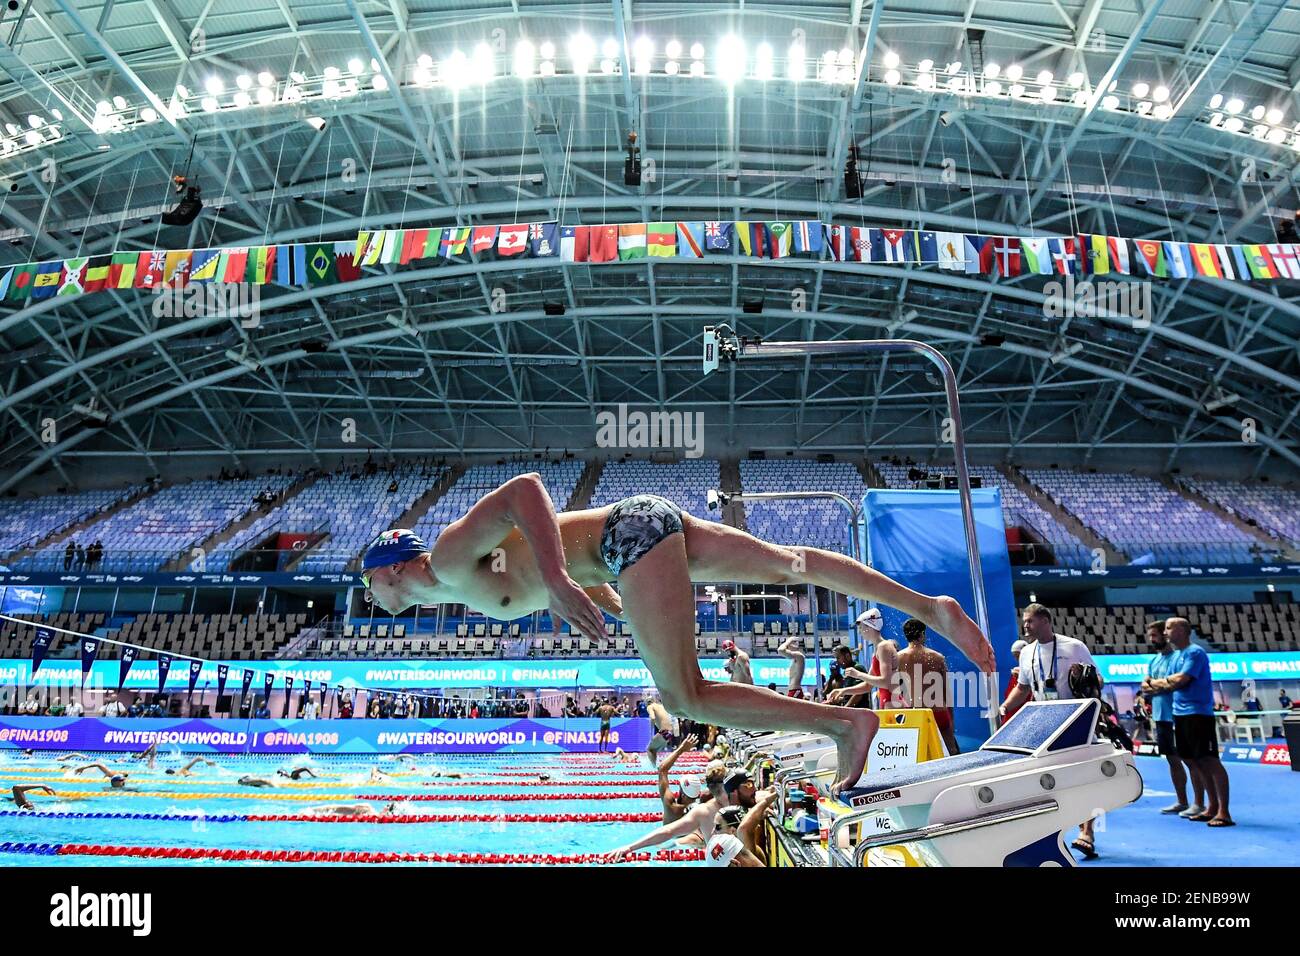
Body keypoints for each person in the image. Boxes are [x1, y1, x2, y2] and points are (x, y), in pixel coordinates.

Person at [361, 482, 993, 793]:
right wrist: (577, 583)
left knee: (685, 697)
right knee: (788, 560)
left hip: (628, 540)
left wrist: (555, 580)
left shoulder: (443, 561)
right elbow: (529, 555)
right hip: (641, 525)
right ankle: (928, 607)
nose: (369, 598)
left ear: (388, 567)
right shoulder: (450, 586)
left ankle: (842, 725)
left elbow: (524, 495)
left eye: (369, 586)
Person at [999, 603, 1101, 858]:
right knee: (1052, 782)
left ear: (1045, 621)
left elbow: (1098, 680)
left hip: (1077, 721)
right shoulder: (1026, 653)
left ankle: (1087, 832)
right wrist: (1005, 706)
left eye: (1030, 621)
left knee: (1083, 778)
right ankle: (1057, 833)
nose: (1025, 625)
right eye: (1024, 621)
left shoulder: (1074, 646)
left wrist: (1085, 677)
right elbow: (1023, 688)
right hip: (1045, 725)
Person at [1144, 617, 1233, 827]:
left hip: (1198, 714)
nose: (1165, 633)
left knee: (1210, 760)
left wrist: (1160, 684)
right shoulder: (1178, 657)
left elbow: (1181, 681)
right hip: (1180, 714)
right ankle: (1211, 807)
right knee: (1195, 760)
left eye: (1168, 628)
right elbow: (1169, 682)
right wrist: (1165, 684)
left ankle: (1224, 811)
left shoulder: (1195, 652)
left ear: (1182, 631)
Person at [1140, 621, 1205, 818]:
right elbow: (1145, 686)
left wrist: (1157, 686)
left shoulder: (1179, 657)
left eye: (1155, 635)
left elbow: (1175, 685)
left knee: (1190, 760)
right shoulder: (1153, 661)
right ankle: (1182, 801)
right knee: (1172, 760)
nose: (1152, 640)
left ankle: (1199, 803)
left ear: (1165, 635)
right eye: (1150, 636)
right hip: (1161, 718)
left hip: (1178, 716)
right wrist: (1157, 686)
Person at [894, 618, 959, 755]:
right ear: (922, 634)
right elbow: (946, 692)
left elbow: (897, 691)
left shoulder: (898, 658)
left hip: (916, 714)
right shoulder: (937, 657)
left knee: (920, 755)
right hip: (939, 712)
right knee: (949, 753)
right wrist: (951, 719)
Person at [655, 735, 701, 824]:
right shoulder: (701, 811)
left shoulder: (672, 808)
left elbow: (662, 769)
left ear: (683, 795)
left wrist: (681, 749)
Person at [644, 695, 679, 766]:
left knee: (649, 749)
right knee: (654, 750)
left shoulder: (650, 707)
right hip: (670, 733)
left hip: (664, 732)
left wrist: (651, 730)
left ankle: (653, 768)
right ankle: (655, 765)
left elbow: (653, 717)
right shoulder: (661, 706)